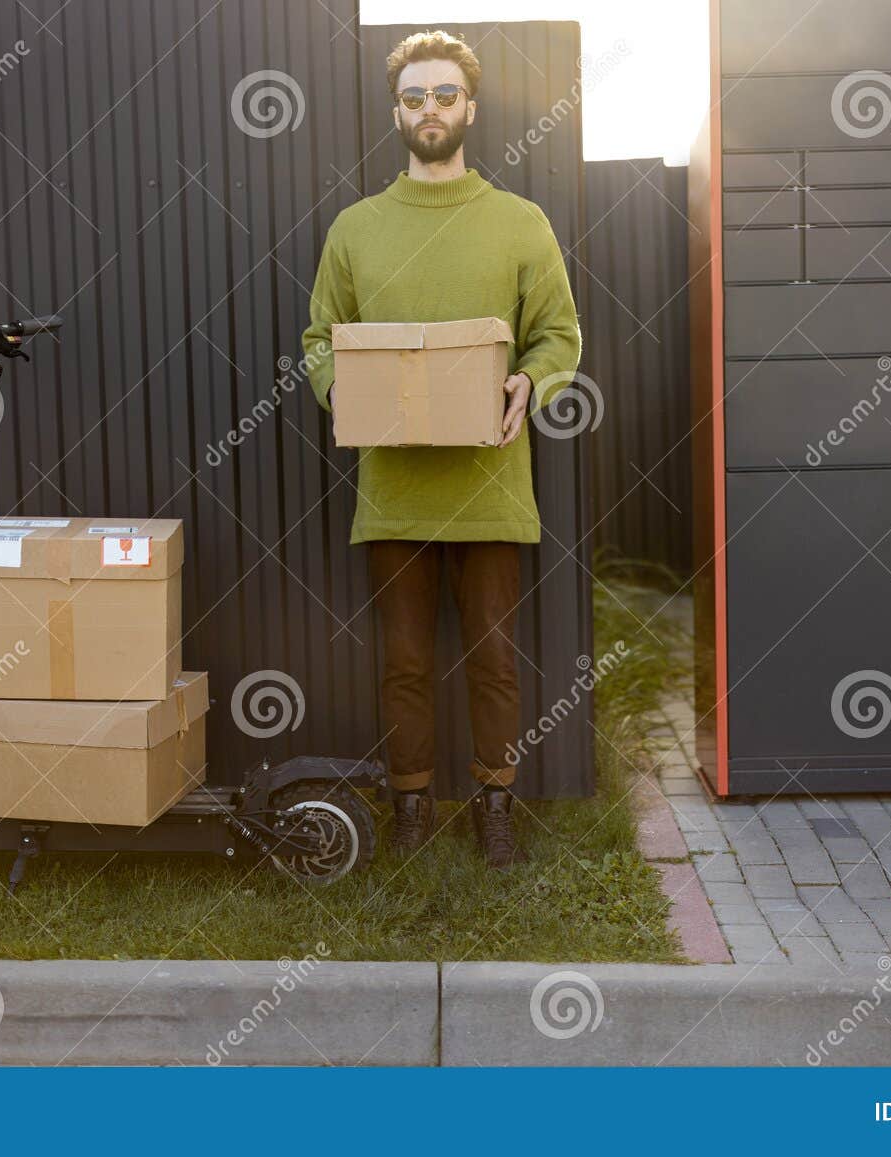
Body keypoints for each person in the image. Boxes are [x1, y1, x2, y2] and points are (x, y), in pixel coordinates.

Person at [300, 29, 583, 869]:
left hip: (492, 483)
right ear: (399, 111)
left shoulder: (518, 222)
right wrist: (337, 389)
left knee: (495, 660)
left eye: (445, 95)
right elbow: (319, 337)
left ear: (470, 106)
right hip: (393, 488)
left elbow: (558, 335)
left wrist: (532, 386)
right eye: (416, 96)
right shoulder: (357, 228)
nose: (431, 109)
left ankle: (495, 803)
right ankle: (412, 803)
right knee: (405, 662)